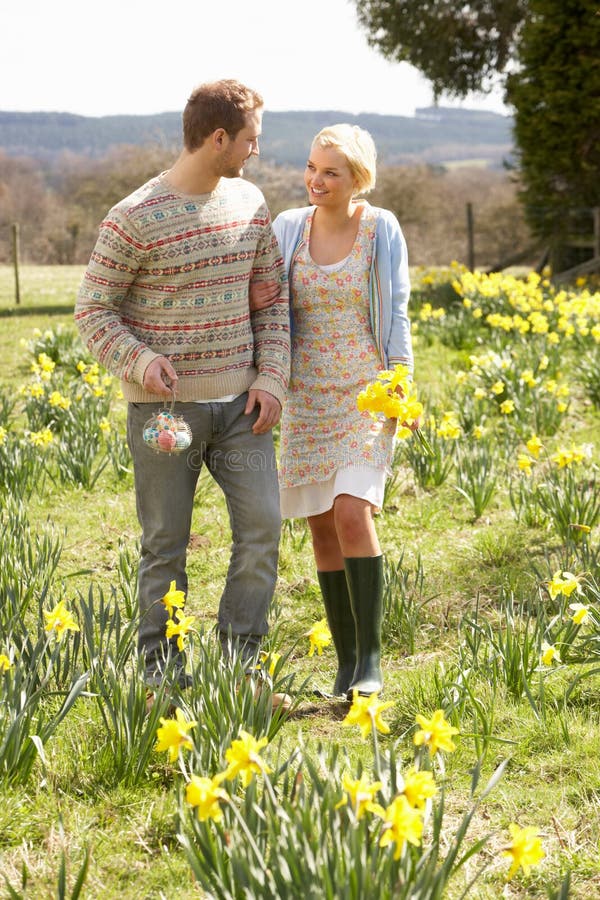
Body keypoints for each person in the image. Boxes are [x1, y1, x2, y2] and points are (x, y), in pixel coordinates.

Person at [75, 79, 290, 696]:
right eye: (250, 140)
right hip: (163, 416)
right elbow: (93, 310)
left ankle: (238, 667)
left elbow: (271, 305)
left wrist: (272, 377)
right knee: (165, 548)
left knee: (263, 530)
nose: (255, 151)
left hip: (242, 409)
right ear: (218, 138)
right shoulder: (134, 218)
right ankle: (161, 676)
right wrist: (139, 361)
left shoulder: (250, 203)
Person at [251, 124, 415, 699]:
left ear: (357, 179)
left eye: (331, 172)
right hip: (307, 396)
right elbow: (265, 302)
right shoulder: (288, 227)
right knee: (321, 523)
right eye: (312, 168)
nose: (316, 181)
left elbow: (396, 310)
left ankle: (370, 660)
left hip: (365, 392)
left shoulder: (380, 228)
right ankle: (345, 666)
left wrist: (401, 385)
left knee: (351, 511)